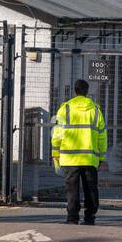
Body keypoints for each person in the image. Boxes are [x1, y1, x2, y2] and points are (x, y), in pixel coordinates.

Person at [51, 79, 107, 225]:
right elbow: (102, 136)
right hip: (89, 158)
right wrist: (101, 156)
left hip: (70, 157)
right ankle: (90, 217)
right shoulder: (95, 110)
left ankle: (72, 217)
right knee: (90, 189)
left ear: (74, 91)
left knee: (72, 189)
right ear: (87, 92)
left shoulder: (65, 109)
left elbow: (57, 133)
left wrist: (55, 152)